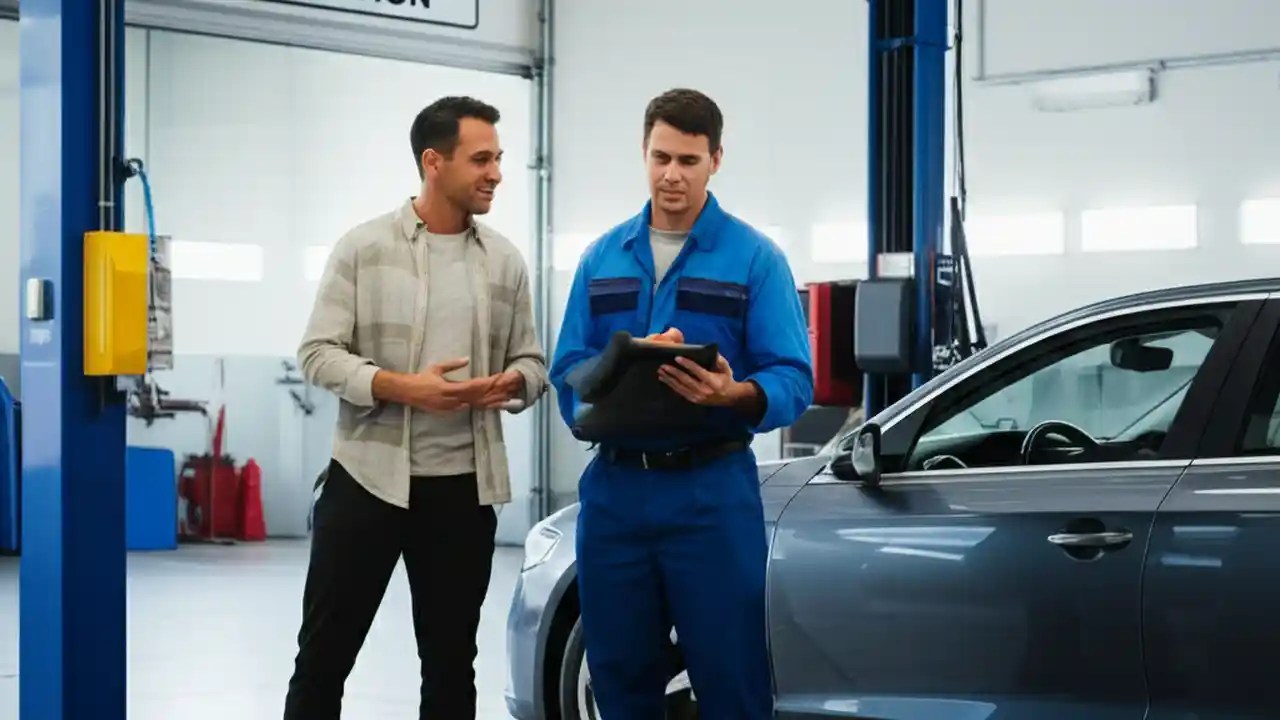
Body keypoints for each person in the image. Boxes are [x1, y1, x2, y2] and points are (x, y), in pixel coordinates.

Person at [549, 88, 814, 719]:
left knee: (731, 674)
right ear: (643, 153)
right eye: (660, 157)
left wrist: (736, 393)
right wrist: (617, 364)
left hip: (711, 493)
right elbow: (567, 371)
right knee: (616, 672)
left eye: (689, 160)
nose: (672, 174)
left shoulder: (755, 259)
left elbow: (793, 379)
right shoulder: (602, 257)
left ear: (716, 159)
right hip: (615, 491)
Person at [285, 95, 547, 720]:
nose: (496, 173)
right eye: (481, 159)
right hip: (366, 482)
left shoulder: (505, 261)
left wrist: (508, 383)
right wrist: (406, 387)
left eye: (499, 158)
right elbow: (317, 353)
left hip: (463, 492)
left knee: (452, 664)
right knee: (324, 657)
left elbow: (535, 365)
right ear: (434, 162)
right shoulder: (364, 248)